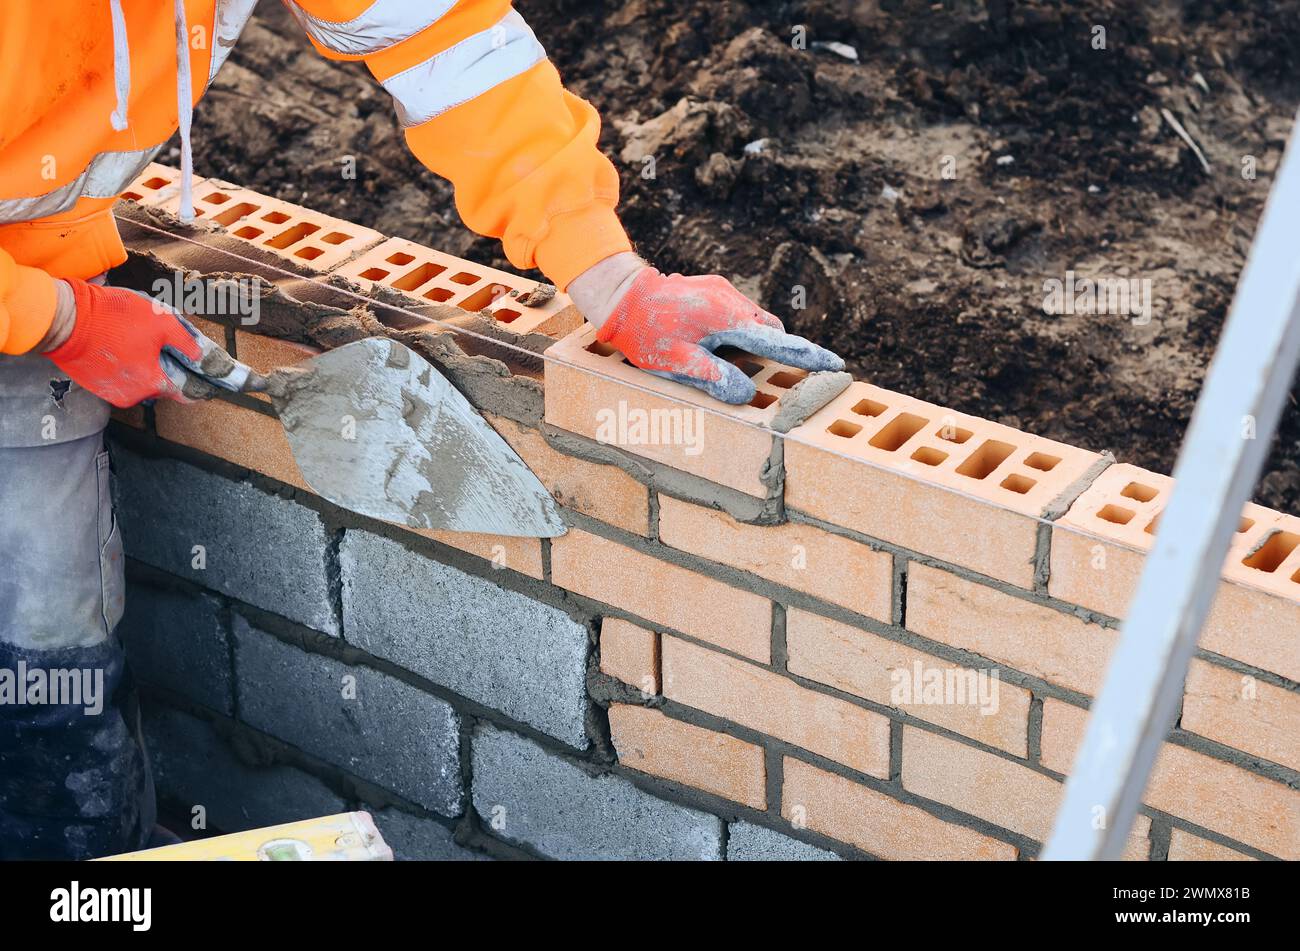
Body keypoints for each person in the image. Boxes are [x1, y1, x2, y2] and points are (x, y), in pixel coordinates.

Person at [0, 1, 843, 859]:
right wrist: (63, 319)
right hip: (34, 299)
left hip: (25, 272)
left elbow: (447, 42)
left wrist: (610, 273)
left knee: (47, 649)